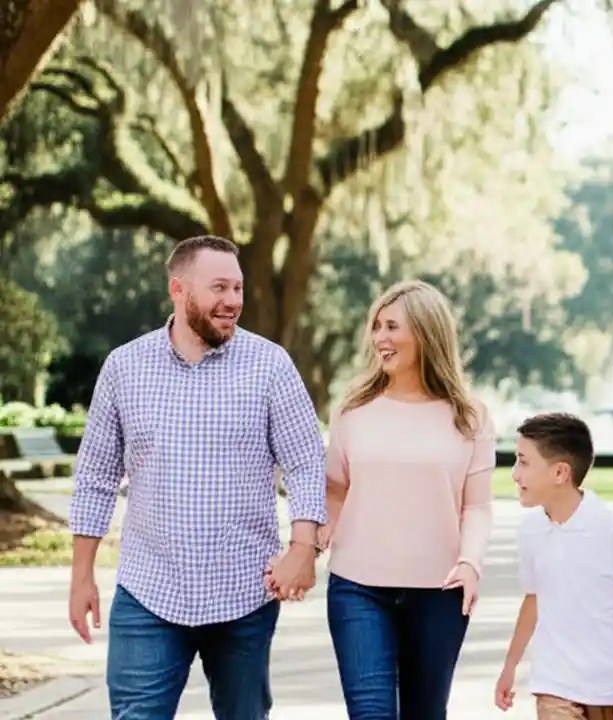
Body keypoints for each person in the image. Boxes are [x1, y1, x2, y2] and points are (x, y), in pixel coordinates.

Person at [67, 234, 326, 719]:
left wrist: (303, 548)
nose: (233, 301)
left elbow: (307, 461)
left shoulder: (270, 366)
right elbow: (96, 477)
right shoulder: (125, 367)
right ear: (178, 290)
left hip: (244, 592)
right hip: (149, 591)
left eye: (239, 289)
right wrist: (81, 575)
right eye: (219, 288)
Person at [306, 280, 496, 719]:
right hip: (358, 588)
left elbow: (477, 506)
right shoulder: (353, 408)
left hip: (440, 593)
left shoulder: (469, 415)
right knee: (371, 713)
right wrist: (313, 540)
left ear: (426, 333)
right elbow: (335, 488)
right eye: (376, 326)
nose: (379, 338)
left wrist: (470, 561)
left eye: (392, 326)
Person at [494, 413, 613, 720]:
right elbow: (534, 598)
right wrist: (510, 665)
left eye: (524, 462)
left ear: (560, 473)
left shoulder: (612, 529)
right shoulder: (529, 531)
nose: (515, 474)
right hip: (554, 684)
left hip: (610, 689)